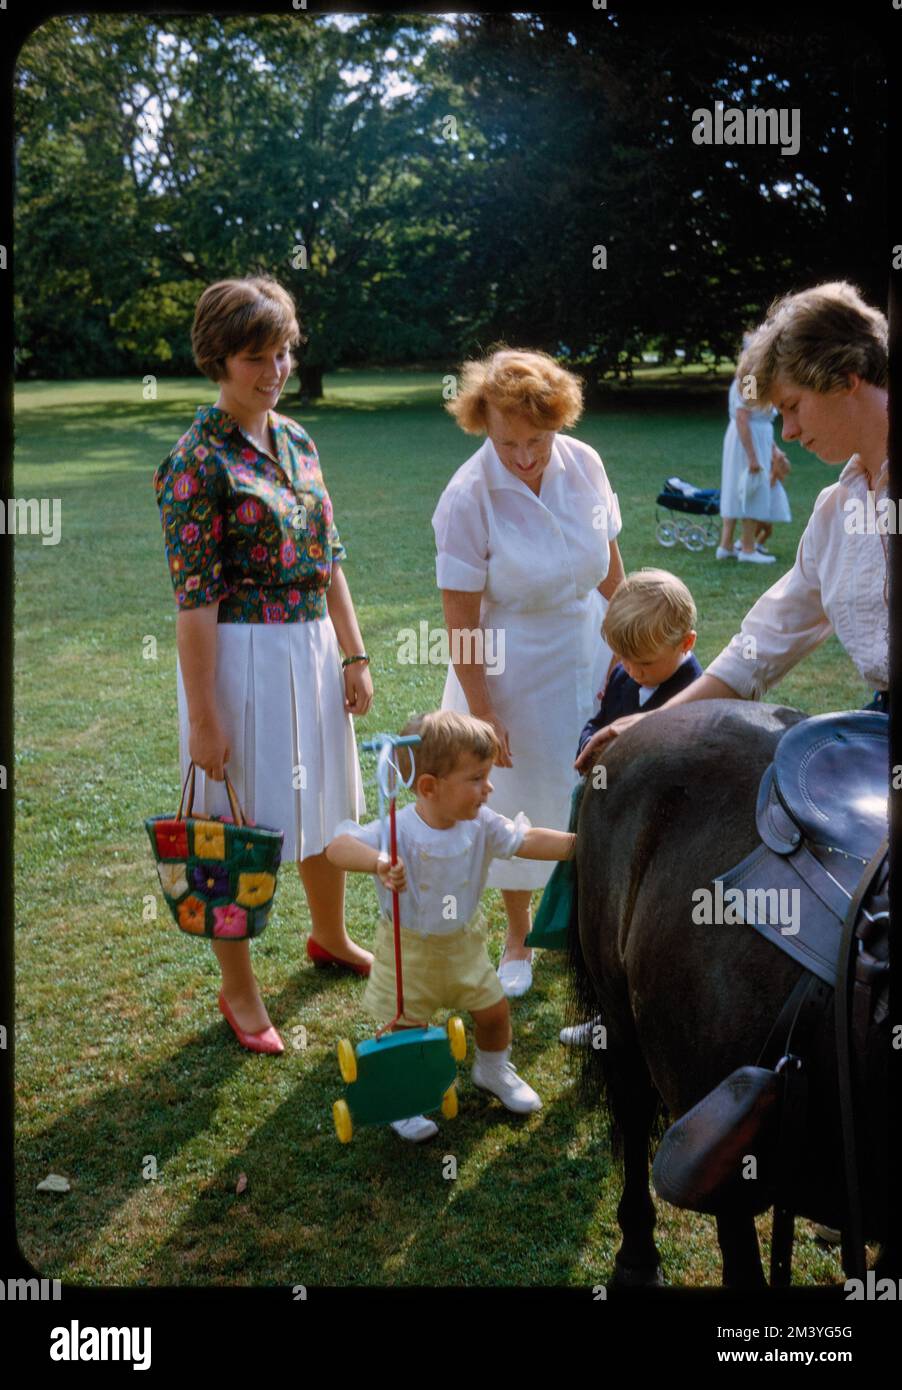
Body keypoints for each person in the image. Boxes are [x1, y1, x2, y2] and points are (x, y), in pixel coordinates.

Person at [154, 276, 374, 1056]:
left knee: (323, 804)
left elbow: (332, 557)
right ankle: (239, 990)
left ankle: (329, 935)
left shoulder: (299, 441)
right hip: (238, 663)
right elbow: (194, 606)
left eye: (283, 352)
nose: (275, 369)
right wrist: (206, 719)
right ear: (218, 359)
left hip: (312, 648)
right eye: (257, 356)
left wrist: (353, 651)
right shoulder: (193, 462)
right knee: (232, 830)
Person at [590, 279, 889, 753]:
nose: (787, 432)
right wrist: (653, 722)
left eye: (792, 407)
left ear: (848, 378)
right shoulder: (837, 510)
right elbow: (767, 640)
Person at [432, 348, 625, 999]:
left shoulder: (587, 464)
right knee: (518, 800)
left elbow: (609, 564)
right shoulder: (467, 496)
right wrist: (483, 713)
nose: (522, 455)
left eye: (536, 440)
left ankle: (591, 933)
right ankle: (518, 938)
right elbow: (460, 621)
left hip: (592, 650)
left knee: (592, 792)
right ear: (483, 424)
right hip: (509, 670)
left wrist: (630, 643)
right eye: (507, 440)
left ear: (558, 421)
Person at [326, 711, 577, 1140]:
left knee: (494, 1012)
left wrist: (579, 846)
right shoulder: (396, 828)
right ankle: (405, 1099)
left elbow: (527, 839)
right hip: (409, 951)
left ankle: (492, 1070)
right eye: (477, 778)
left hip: (463, 945)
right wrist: (378, 863)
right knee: (406, 1028)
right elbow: (337, 848)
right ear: (429, 787)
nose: (489, 787)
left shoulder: (482, 824)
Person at [556, 570, 703, 1044]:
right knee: (603, 928)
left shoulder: (696, 691)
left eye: (644, 663)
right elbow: (599, 721)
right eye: (625, 659)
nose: (632, 671)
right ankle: (607, 1019)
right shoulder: (623, 672)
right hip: (612, 824)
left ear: (686, 644)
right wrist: (590, 744)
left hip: (659, 841)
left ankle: (652, 1019)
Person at [716, 348, 792, 564]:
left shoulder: (751, 378)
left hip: (751, 438)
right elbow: (743, 418)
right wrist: (753, 458)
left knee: (735, 489)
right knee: (752, 488)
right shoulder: (750, 380)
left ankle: (726, 545)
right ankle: (747, 548)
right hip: (747, 440)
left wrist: (772, 448)